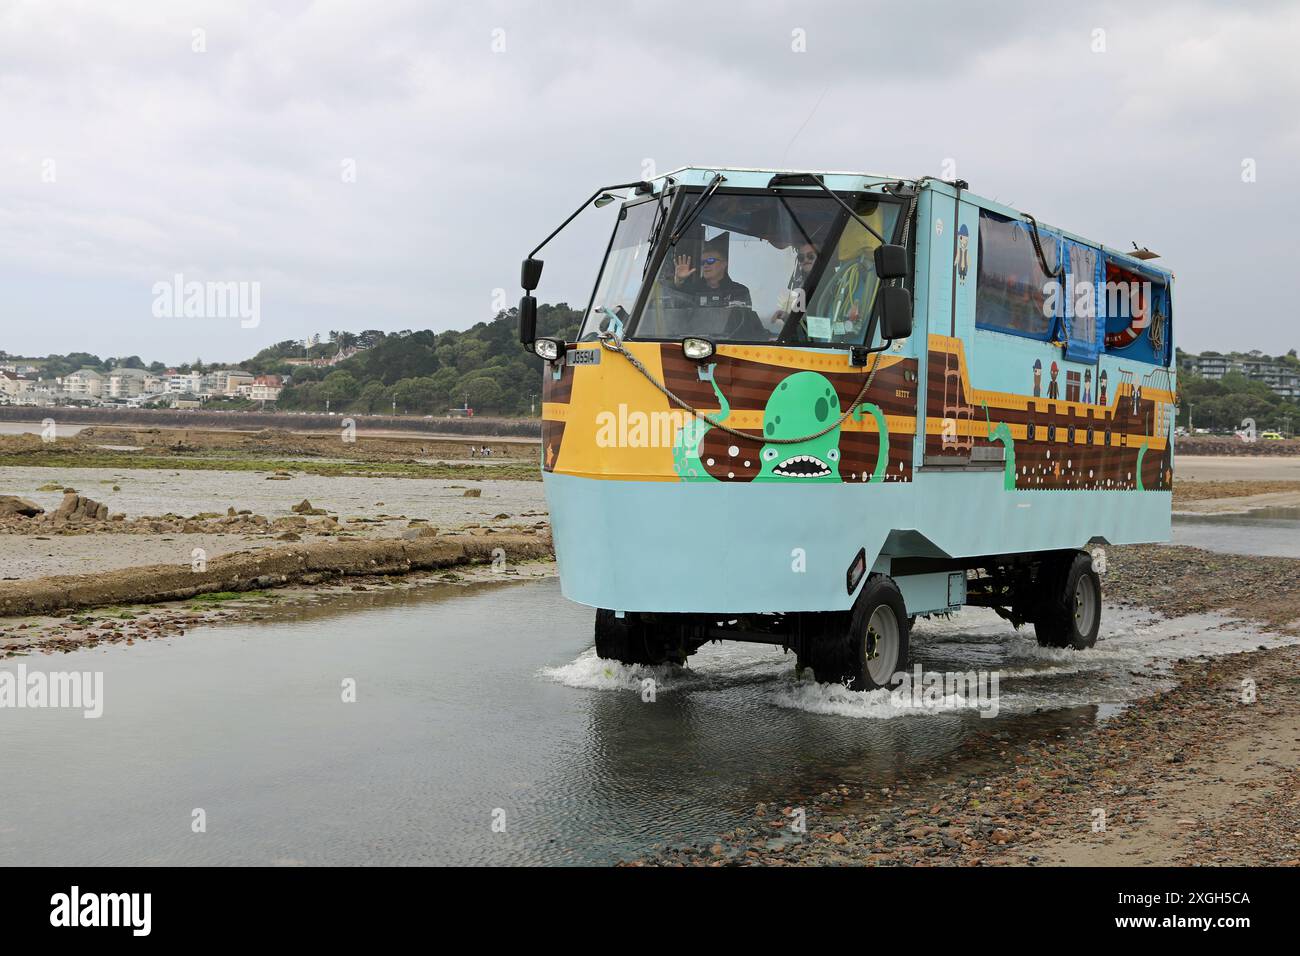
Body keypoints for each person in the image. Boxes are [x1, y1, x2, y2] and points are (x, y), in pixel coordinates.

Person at [671, 232, 751, 308]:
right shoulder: (693, 291)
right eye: (703, 262)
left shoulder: (739, 291)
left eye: (710, 261)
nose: (705, 265)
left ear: (724, 263)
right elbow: (676, 310)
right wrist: (679, 282)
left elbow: (746, 319)